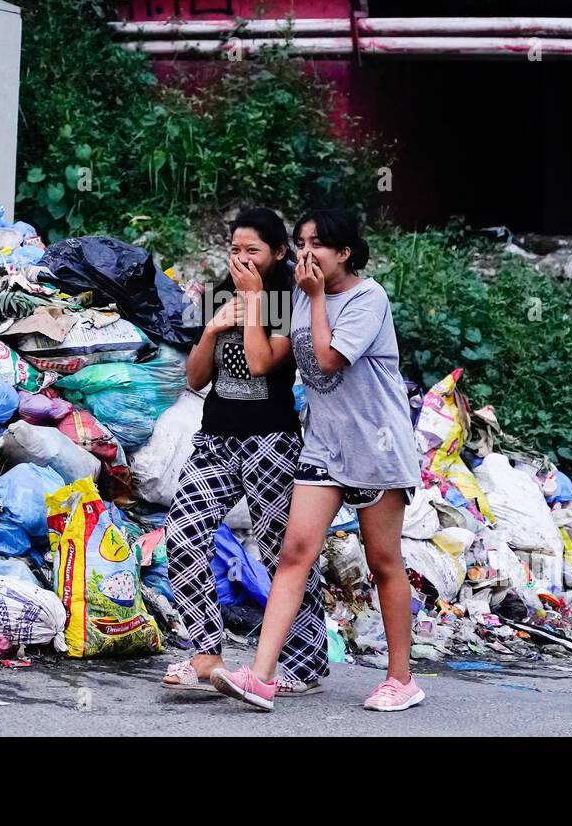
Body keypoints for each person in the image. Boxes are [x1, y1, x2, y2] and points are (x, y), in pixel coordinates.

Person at [211, 208, 424, 712]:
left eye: (317, 245)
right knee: (294, 553)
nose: (306, 253)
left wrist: (311, 299)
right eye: (301, 243)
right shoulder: (302, 299)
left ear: (344, 252)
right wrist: (258, 303)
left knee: (384, 562)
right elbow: (266, 362)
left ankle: (402, 678)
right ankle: (262, 675)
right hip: (325, 444)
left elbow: (327, 360)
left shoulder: (368, 298)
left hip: (376, 446)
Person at [162, 207, 329, 695]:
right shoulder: (217, 294)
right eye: (234, 250)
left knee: (284, 554)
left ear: (279, 252)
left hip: (270, 442)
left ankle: (305, 663)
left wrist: (254, 302)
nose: (240, 259)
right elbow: (195, 379)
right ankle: (206, 654)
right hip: (215, 438)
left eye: (252, 250)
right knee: (183, 534)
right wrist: (213, 329)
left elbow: (259, 364)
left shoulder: (292, 299)